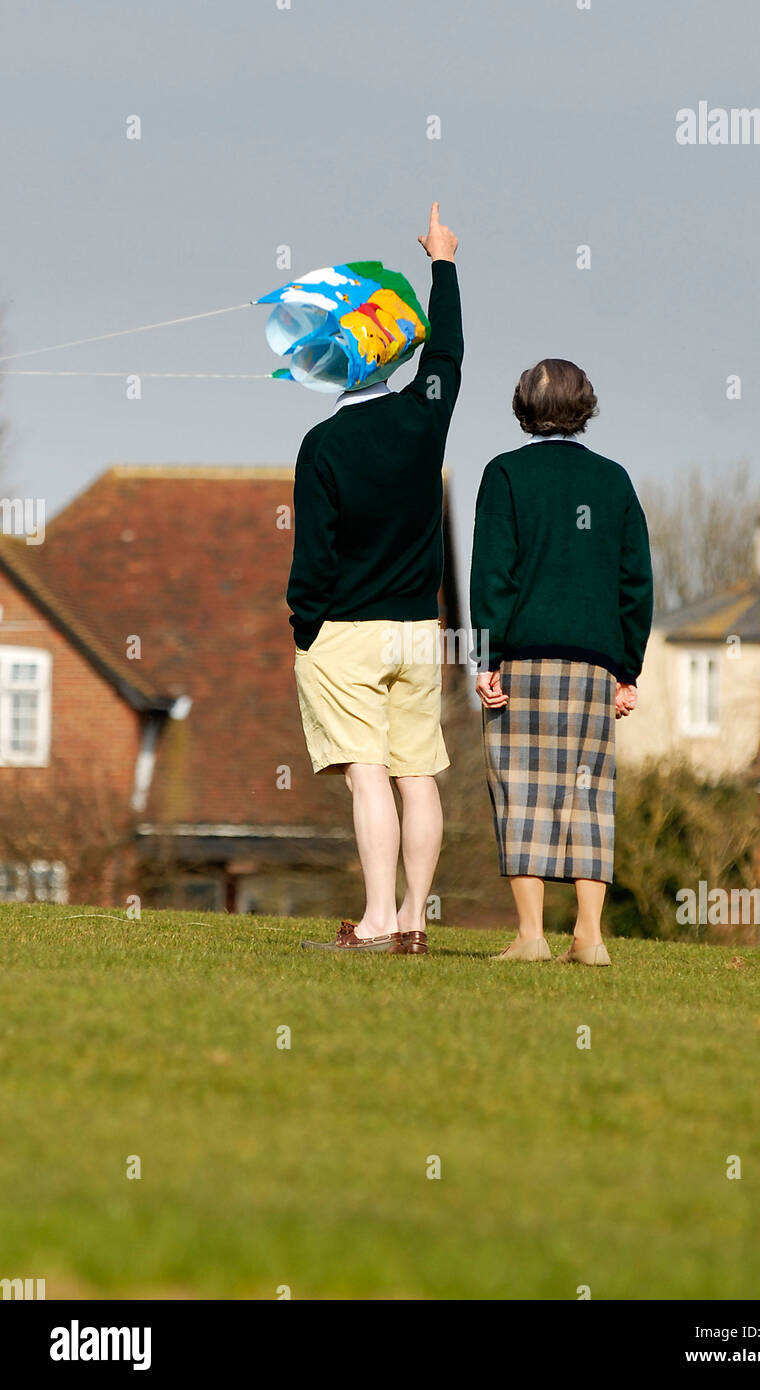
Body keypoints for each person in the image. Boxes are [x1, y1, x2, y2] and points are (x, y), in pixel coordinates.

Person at [289, 203, 462, 954]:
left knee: (369, 778)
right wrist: (443, 262)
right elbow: (449, 355)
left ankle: (376, 920)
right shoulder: (425, 420)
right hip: (420, 629)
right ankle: (417, 920)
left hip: (348, 633)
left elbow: (315, 556)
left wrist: (305, 624)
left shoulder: (322, 445)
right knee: (418, 776)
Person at [470, 359, 653, 964]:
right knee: (589, 793)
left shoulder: (505, 474)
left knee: (522, 788)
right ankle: (591, 937)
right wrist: (628, 669)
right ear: (586, 406)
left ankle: (531, 936)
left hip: (524, 656)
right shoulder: (615, 480)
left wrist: (486, 656)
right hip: (596, 663)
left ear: (523, 405)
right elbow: (636, 582)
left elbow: (492, 572)